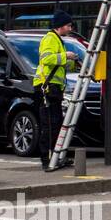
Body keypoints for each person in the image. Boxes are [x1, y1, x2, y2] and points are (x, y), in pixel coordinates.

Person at [34, 10, 80, 170]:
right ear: (60, 26)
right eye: (68, 25)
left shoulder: (58, 40)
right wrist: (65, 55)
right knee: (49, 125)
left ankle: (57, 157)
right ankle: (47, 160)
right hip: (46, 87)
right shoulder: (50, 39)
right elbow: (46, 59)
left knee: (57, 123)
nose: (70, 28)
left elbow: (59, 65)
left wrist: (72, 61)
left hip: (54, 88)